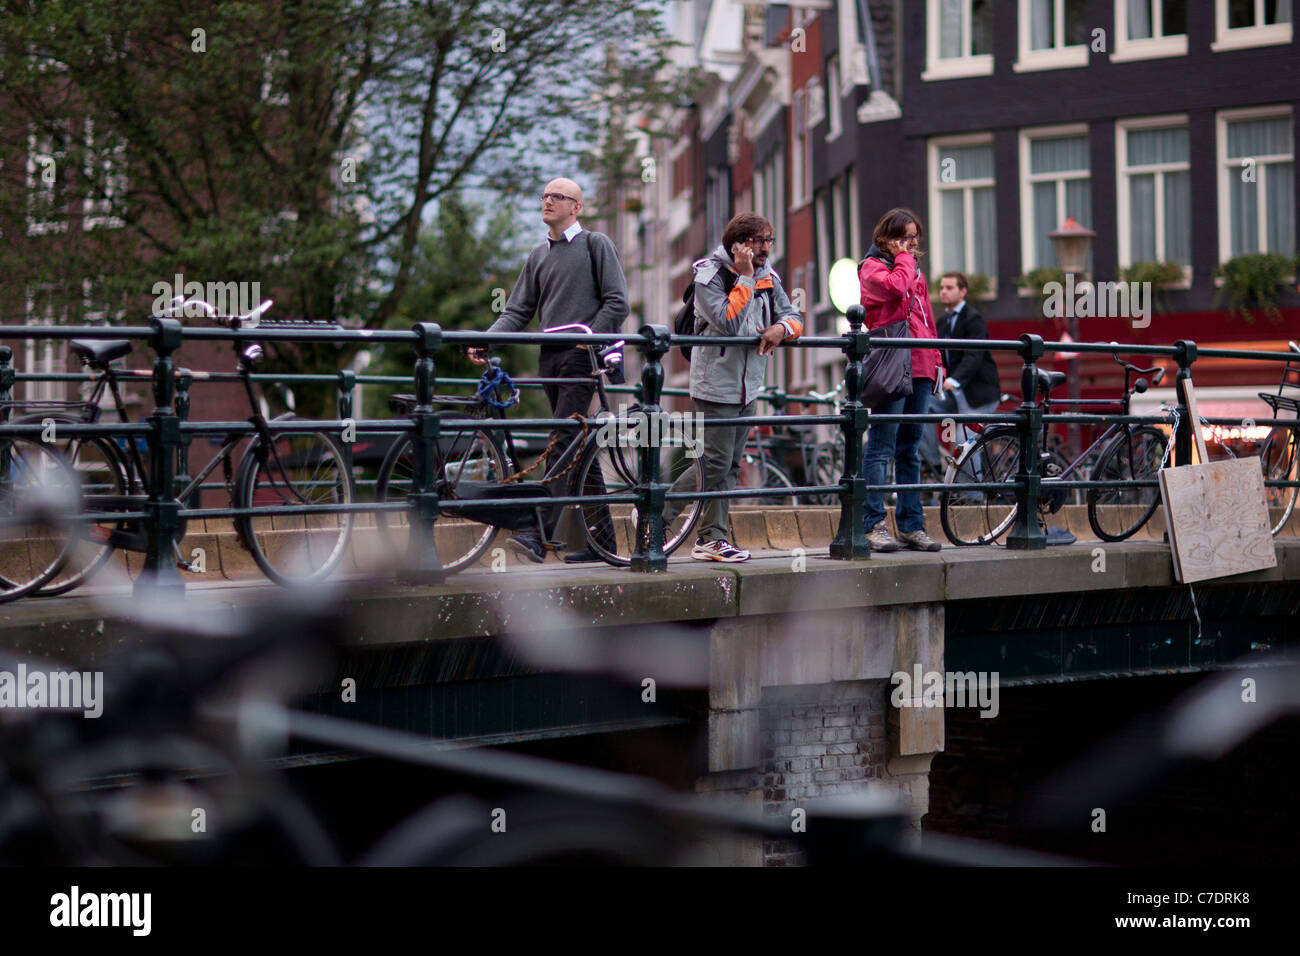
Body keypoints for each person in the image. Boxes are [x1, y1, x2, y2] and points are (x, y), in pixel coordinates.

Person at [469, 177, 629, 563]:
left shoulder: (596, 244)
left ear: (577, 206)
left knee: (561, 440)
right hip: (549, 360)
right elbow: (517, 311)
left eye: (557, 196)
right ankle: (603, 543)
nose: (548, 202)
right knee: (576, 444)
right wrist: (483, 340)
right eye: (544, 196)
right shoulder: (538, 255)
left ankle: (536, 534)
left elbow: (617, 302)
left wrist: (586, 339)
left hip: (579, 358)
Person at [685, 212, 802, 562]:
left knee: (731, 465)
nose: (766, 248)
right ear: (738, 245)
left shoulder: (770, 276)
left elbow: (794, 316)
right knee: (714, 463)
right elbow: (729, 323)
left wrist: (781, 329)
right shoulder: (710, 275)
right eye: (758, 241)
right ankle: (655, 513)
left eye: (769, 240)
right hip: (715, 386)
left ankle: (712, 538)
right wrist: (747, 277)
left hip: (749, 386)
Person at [858, 207, 944, 553]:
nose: (911, 243)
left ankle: (912, 526)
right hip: (892, 362)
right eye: (905, 237)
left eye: (914, 237)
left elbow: (926, 316)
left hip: (921, 362)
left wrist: (937, 359)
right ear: (888, 237)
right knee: (881, 446)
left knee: (911, 448)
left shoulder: (912, 268)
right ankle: (873, 523)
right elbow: (897, 289)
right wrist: (905, 259)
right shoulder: (872, 267)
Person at [919, 271, 1001, 477]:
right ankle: (931, 464)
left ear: (962, 292)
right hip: (955, 394)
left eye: (949, 288)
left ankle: (970, 497)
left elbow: (974, 355)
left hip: (977, 394)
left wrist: (954, 380)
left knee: (962, 438)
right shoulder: (944, 322)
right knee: (921, 408)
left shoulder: (973, 319)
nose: (944, 292)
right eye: (942, 288)